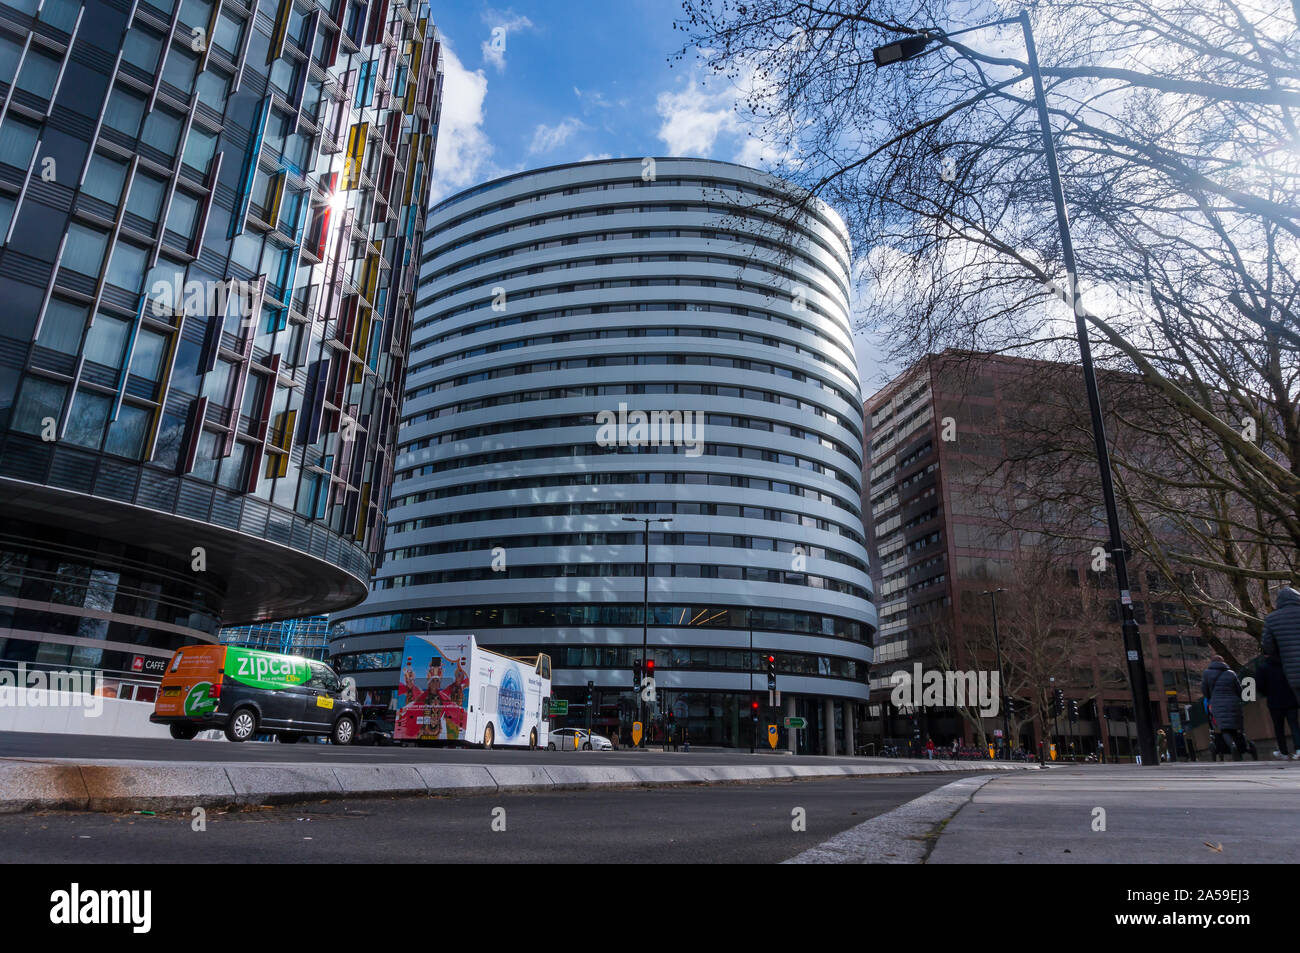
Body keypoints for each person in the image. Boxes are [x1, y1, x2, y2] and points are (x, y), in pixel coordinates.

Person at [1201, 655, 1247, 760]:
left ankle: (1232, 746)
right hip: (1233, 703)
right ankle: (1240, 747)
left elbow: (1205, 690)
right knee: (1236, 728)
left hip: (1217, 703)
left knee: (1224, 729)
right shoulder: (1231, 673)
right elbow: (1239, 690)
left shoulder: (1207, 673)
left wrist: (1210, 698)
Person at [1258, 654, 1300, 760]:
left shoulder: (1263, 668)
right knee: (1294, 725)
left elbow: (1260, 686)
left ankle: (1284, 752)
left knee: (1278, 728)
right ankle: (1299, 749)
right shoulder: (1287, 665)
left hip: (1274, 701)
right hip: (1291, 699)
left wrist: (1268, 693)